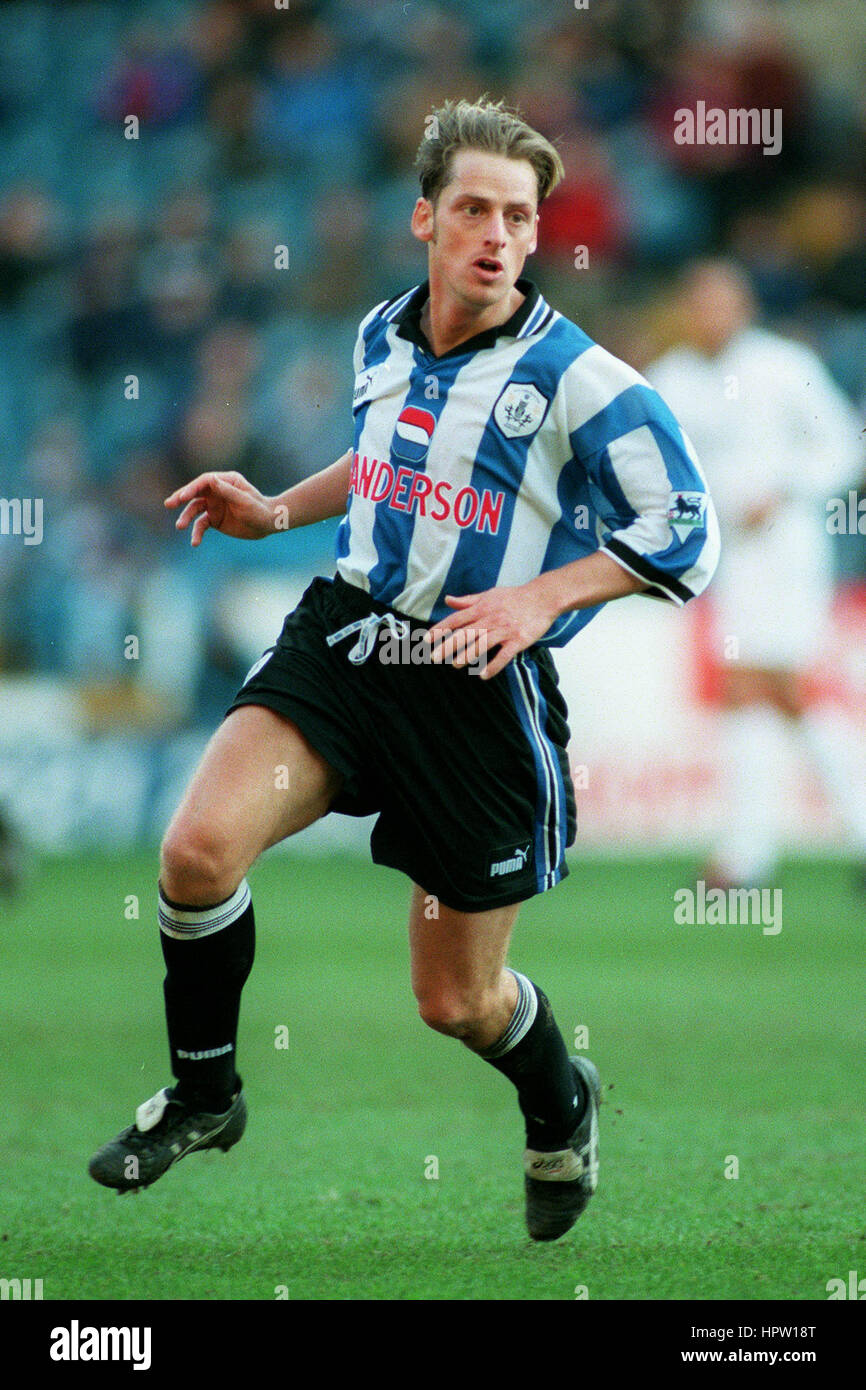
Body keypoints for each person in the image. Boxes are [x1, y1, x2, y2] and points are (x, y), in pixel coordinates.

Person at [89, 98, 719, 1242]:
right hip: (346, 642)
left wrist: (540, 595)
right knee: (193, 852)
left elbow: (686, 527)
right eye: (472, 208)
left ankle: (558, 1096)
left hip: (474, 689)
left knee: (455, 1002)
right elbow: (382, 459)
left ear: (534, 238)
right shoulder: (382, 331)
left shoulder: (580, 379)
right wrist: (277, 505)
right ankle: (206, 1094)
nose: (493, 232)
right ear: (423, 219)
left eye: (516, 216)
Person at [645, 259, 866, 888]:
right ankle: (753, 852)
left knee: (785, 688)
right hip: (727, 559)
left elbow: (844, 444)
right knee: (752, 692)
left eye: (722, 300)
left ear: (744, 306)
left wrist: (785, 489)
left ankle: (749, 857)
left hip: (789, 550)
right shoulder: (672, 381)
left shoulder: (782, 367)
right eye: (700, 302)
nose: (711, 313)